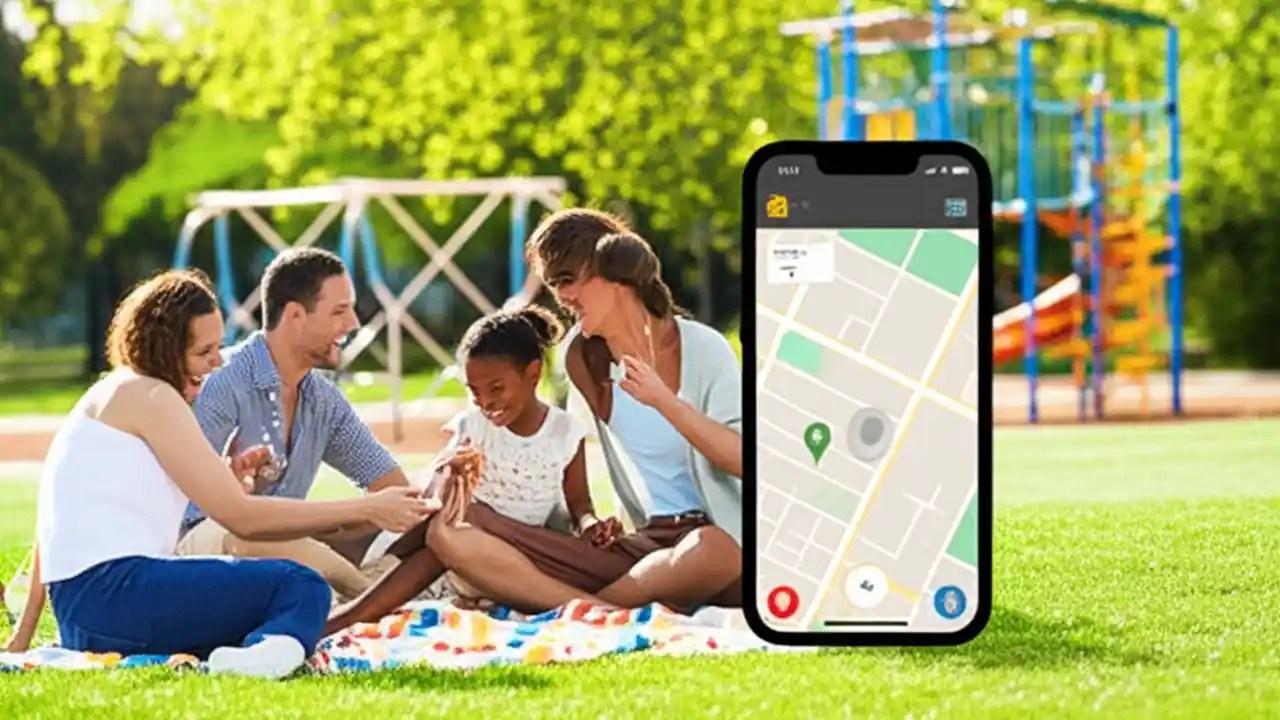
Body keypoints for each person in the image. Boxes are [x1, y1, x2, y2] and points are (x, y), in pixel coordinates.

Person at [1, 269, 434, 678]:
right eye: (204, 352)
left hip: (85, 616)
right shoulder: (153, 396)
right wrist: (369, 508)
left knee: (257, 591)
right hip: (119, 593)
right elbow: (241, 518)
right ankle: (265, 654)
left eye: (218, 349)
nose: (215, 364)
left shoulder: (112, 394)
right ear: (165, 348)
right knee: (300, 584)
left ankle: (257, 650)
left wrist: (24, 637)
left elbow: (52, 524)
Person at [325, 209, 742, 628]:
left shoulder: (701, 349)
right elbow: (566, 478)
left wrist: (664, 400)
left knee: (711, 549)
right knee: (451, 530)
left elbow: (748, 461)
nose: (561, 298)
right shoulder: (585, 356)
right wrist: (585, 528)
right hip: (645, 550)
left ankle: (580, 609)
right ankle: (600, 612)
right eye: (553, 285)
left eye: (566, 279)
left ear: (614, 272)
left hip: (724, 547)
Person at [323, 304, 615, 633]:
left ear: (533, 375)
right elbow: (434, 497)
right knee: (448, 532)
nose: (485, 402)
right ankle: (350, 609)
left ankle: (352, 603)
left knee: (456, 531)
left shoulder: (565, 432)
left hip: (509, 560)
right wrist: (450, 472)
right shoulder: (473, 426)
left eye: (496, 388)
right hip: (453, 555)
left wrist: (592, 525)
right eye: (474, 391)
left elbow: (580, 505)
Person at [175, 248, 412, 601]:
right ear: (296, 315)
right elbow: (197, 517)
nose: (353, 325)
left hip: (286, 551)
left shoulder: (322, 399)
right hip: (206, 550)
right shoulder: (223, 381)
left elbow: (392, 488)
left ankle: (365, 592)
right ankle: (370, 597)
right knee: (296, 554)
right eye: (339, 311)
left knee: (420, 537)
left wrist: (444, 491)